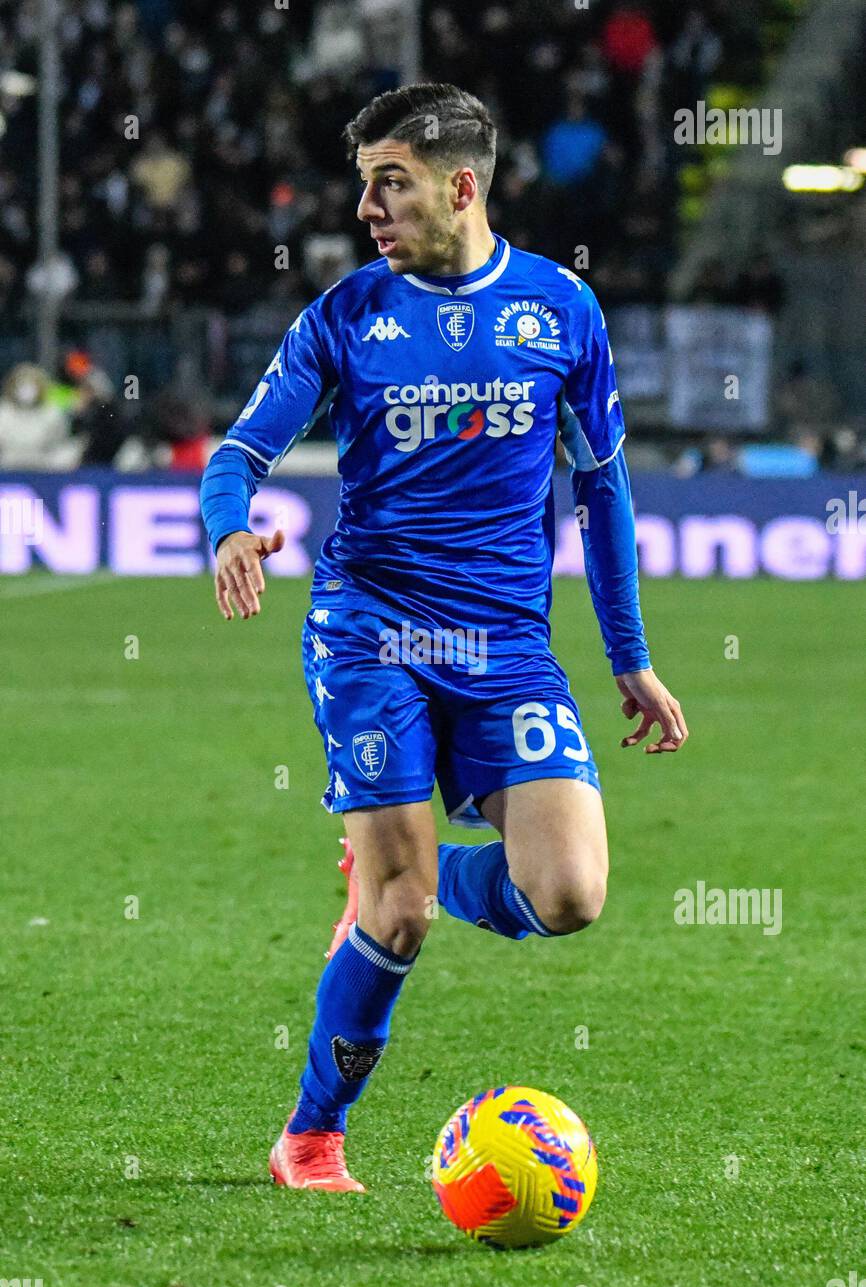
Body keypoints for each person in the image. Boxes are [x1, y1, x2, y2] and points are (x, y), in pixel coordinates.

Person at [200, 83, 688, 1194]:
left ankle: (398, 874)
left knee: (565, 895)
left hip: (509, 644)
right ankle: (310, 1136)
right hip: (370, 634)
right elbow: (236, 455)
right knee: (400, 915)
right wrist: (230, 531)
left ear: (461, 184)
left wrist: (627, 657)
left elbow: (600, 491)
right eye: (364, 183)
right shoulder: (344, 316)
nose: (368, 206)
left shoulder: (561, 311)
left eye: (391, 182)